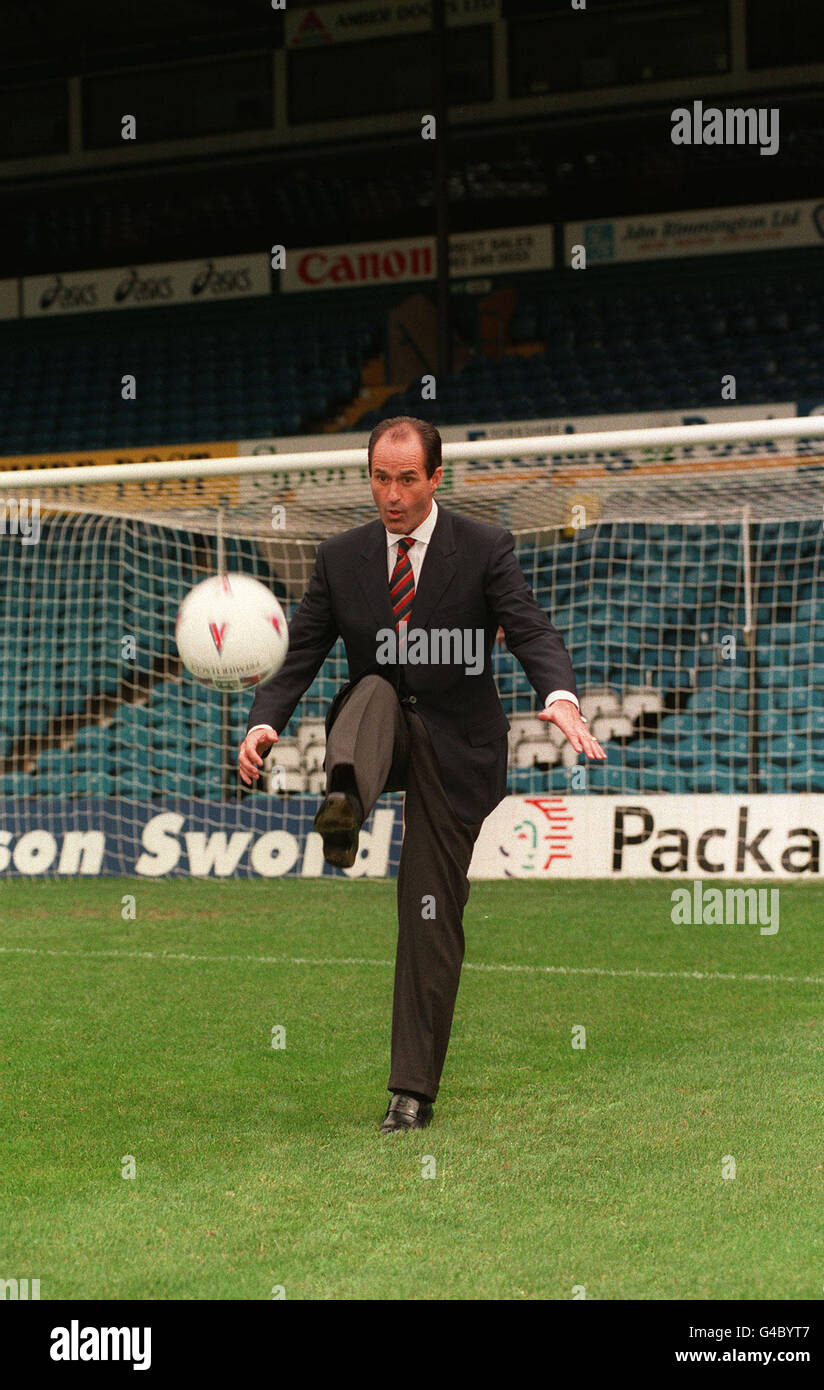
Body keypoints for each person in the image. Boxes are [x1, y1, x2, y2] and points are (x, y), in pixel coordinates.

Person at [238, 416, 605, 1133]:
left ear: (436, 478)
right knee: (372, 687)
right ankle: (344, 806)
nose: (393, 494)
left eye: (408, 478)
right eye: (381, 477)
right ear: (368, 475)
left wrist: (557, 696)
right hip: (377, 738)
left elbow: (529, 625)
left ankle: (411, 1091)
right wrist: (263, 724)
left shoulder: (484, 548)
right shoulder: (340, 557)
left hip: (458, 750)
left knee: (429, 909)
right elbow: (303, 651)